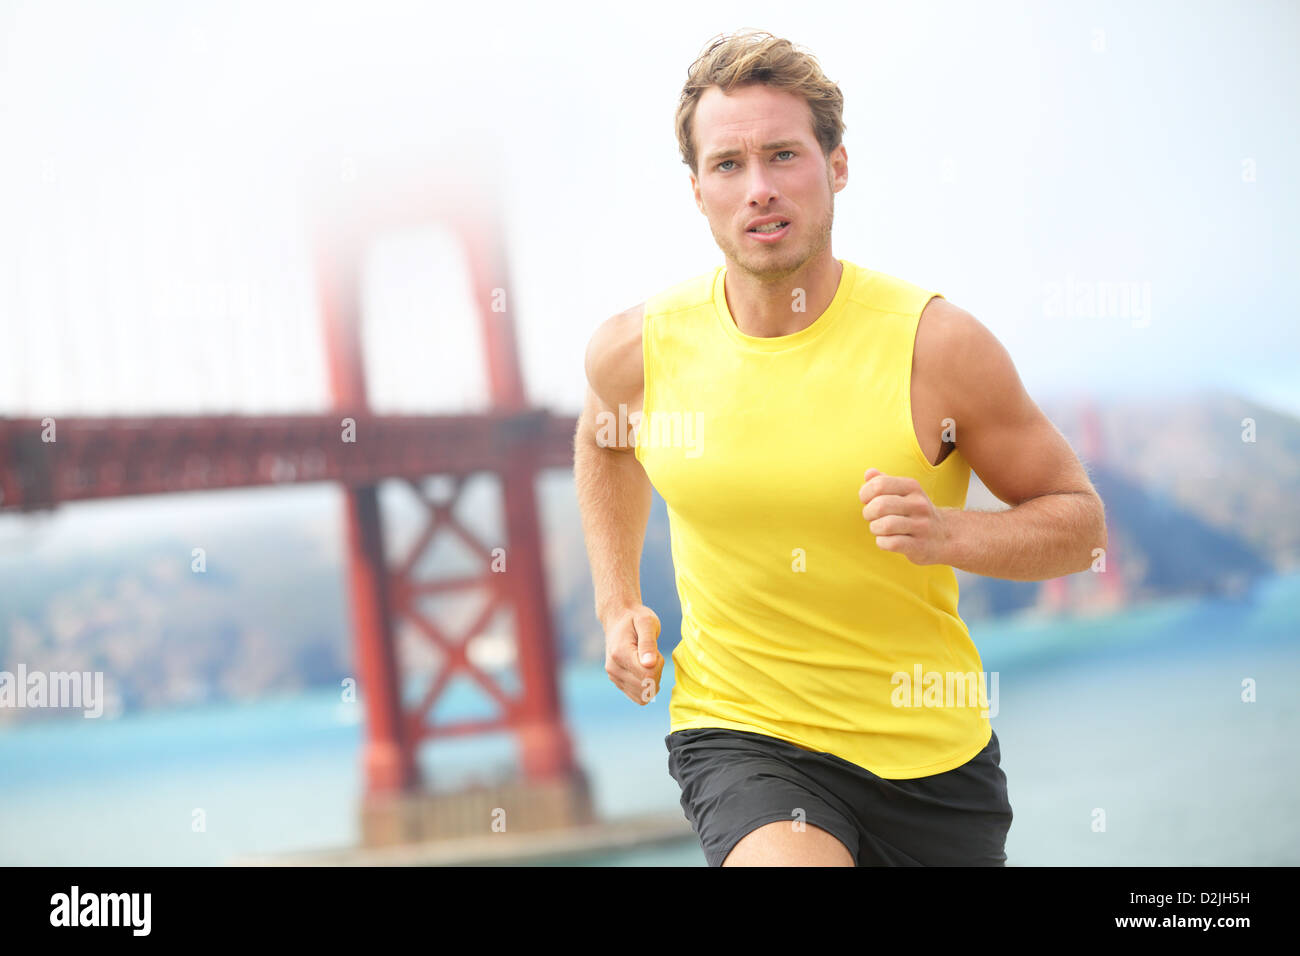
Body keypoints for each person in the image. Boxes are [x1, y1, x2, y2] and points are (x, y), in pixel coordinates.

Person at [573, 29, 1107, 866]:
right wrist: (616, 602)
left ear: (838, 167)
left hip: (933, 762)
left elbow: (1081, 527)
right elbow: (603, 441)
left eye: (784, 155)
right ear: (697, 191)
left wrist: (949, 534)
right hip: (745, 734)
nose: (759, 189)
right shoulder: (639, 347)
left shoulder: (937, 346)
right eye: (728, 165)